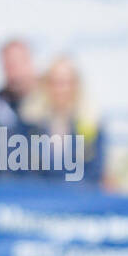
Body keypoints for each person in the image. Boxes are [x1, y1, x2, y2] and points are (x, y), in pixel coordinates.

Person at [29, 55, 106, 183]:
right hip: (40, 198)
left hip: (77, 199)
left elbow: (94, 173)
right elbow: (24, 174)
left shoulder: (90, 123)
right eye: (55, 83)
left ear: (76, 85)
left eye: (66, 83)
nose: (60, 89)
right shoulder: (32, 123)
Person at [0, 38, 38, 150]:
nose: (14, 71)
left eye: (19, 63)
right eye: (9, 64)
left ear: (30, 62)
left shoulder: (48, 102)